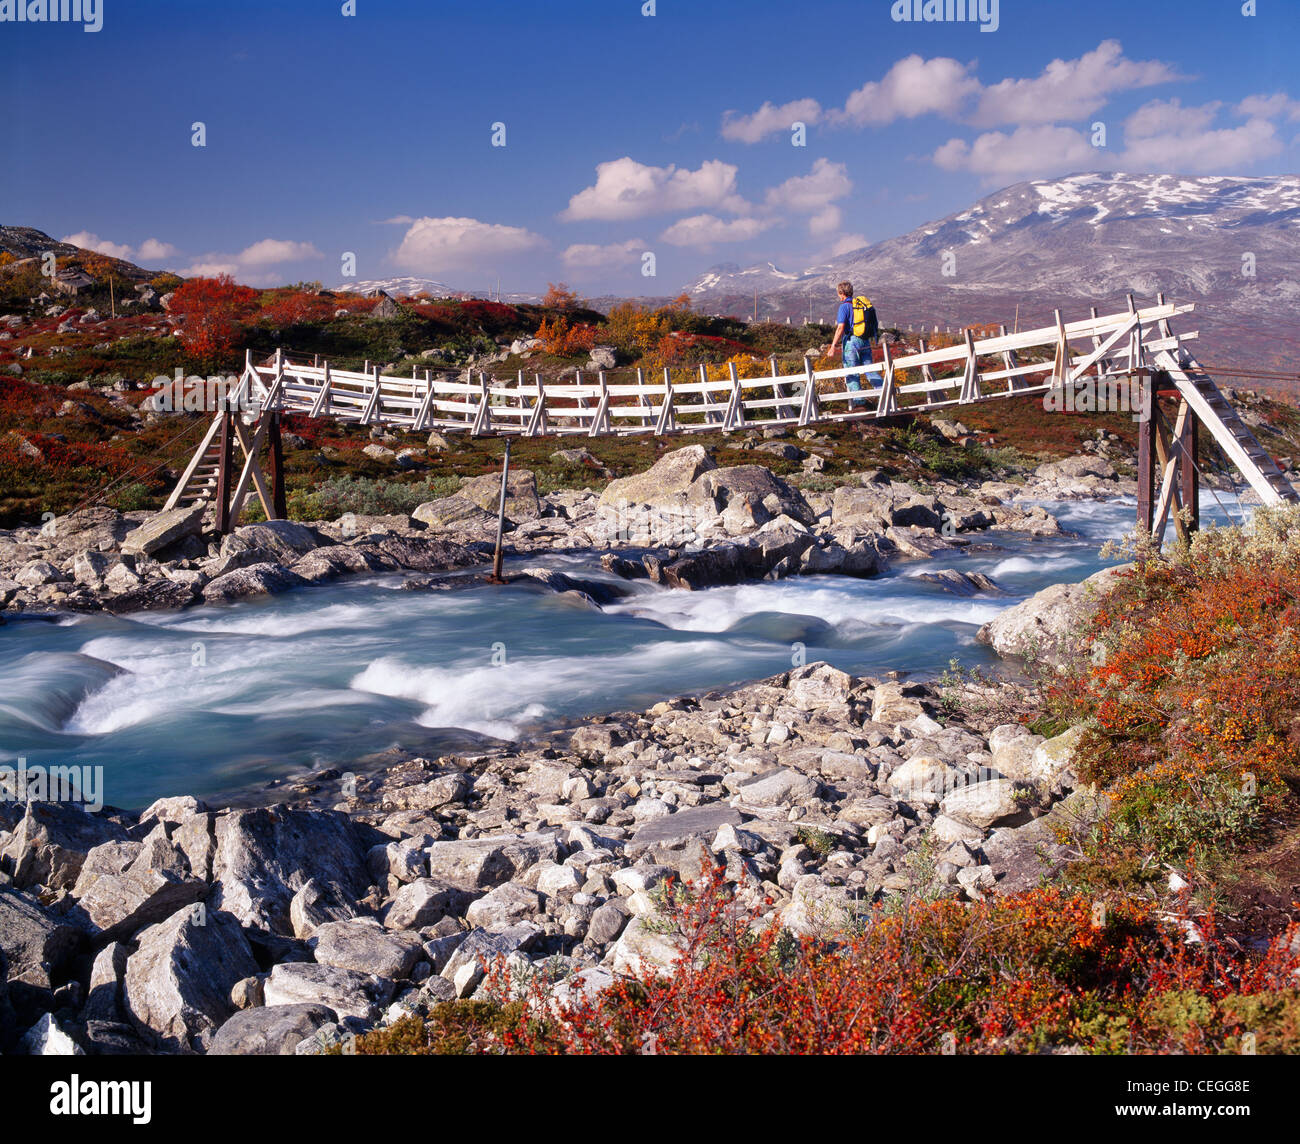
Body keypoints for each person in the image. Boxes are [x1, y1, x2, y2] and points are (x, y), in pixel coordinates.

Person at [828, 281, 877, 411]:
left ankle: (859, 403)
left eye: (838, 293)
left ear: (841, 293)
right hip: (865, 341)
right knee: (870, 369)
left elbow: (840, 327)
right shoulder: (859, 305)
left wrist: (833, 346)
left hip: (852, 342)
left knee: (851, 372)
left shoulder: (844, 307)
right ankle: (884, 392)